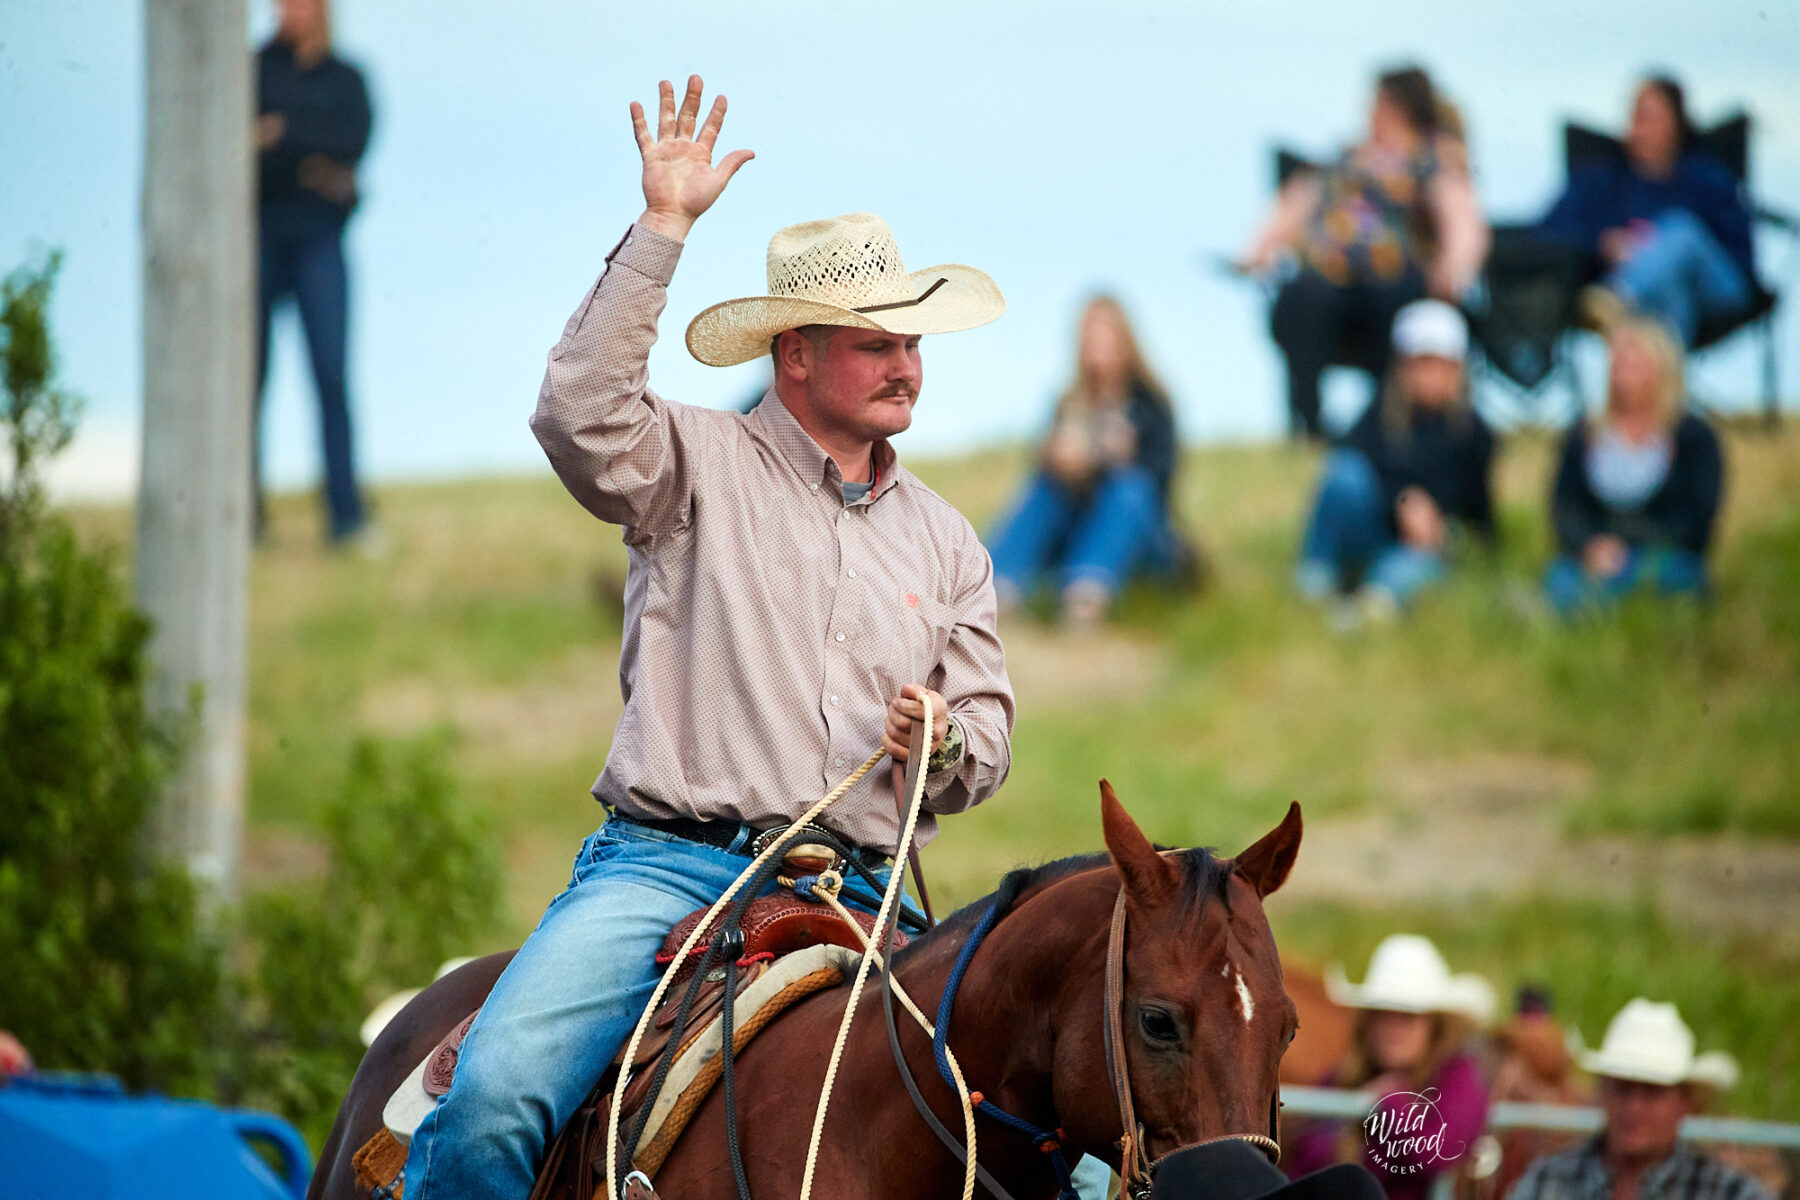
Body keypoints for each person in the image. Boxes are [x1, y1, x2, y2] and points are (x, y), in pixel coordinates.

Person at [399, 77, 1017, 1200]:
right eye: (875, 342)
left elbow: (987, 743)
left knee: (1041, 1146)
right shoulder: (691, 465)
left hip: (869, 894)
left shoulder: (949, 544)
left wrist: (947, 741)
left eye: (913, 343)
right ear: (793, 355)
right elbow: (576, 414)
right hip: (668, 870)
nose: (906, 365)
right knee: (492, 1103)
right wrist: (664, 227)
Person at [1240, 66, 1490, 439]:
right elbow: (1296, 202)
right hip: (1331, 278)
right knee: (1303, 295)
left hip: (1396, 279)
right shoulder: (1346, 157)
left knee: (1391, 298)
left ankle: (1383, 423)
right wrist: (1259, 251)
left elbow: (1462, 219)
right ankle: (1308, 424)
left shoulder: (1432, 159)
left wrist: (1455, 267)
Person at [986, 296, 1185, 625]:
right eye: (1090, 340)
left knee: (1130, 488)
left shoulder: (1151, 404)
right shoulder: (1068, 403)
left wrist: (1113, 459)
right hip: (1073, 527)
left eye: (1106, 340)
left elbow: (1160, 487)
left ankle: (1087, 597)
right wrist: (1057, 460)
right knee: (1043, 489)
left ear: (1125, 342)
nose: (1098, 351)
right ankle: (997, 591)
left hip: (1138, 535)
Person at [254, 0, 374, 545]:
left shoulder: (348, 79)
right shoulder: (252, 70)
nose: (283, 10)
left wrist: (282, 136)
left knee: (330, 375)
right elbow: (239, 148)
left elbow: (352, 145)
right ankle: (244, 519)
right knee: (244, 382)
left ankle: (345, 519)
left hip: (322, 241)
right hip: (256, 238)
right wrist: (312, 158)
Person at [1294, 300, 1496, 620]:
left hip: (1422, 548)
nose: (1427, 374)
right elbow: (1350, 464)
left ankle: (1368, 606)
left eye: (1437, 363)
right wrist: (1402, 501)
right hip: (1375, 527)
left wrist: (1445, 530)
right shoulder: (1378, 415)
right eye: (1418, 363)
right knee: (1343, 473)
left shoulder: (1475, 433)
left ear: (1456, 367)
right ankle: (1315, 581)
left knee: (1404, 572)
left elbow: (1479, 512)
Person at [1538, 77, 1754, 347]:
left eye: (1651, 117)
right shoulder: (1602, 179)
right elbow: (1547, 232)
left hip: (1718, 289)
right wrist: (1601, 244)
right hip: (1656, 295)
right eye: (1635, 115)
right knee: (1669, 285)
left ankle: (1616, 295)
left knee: (1681, 232)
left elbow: (1740, 254)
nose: (1639, 126)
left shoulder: (1708, 179)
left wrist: (1660, 253)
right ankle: (1663, 386)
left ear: (1677, 123)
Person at [1288, 934, 1497, 1200]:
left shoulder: (1458, 1076)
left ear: (1434, 1025)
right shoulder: (1344, 1076)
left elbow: (1439, 1151)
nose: (1393, 1029)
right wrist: (1354, 1118)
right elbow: (1304, 1162)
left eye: (1408, 1017)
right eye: (1382, 1014)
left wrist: (1390, 1104)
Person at [1544, 318, 1723, 616]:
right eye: (1618, 362)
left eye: (1635, 363)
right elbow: (1565, 506)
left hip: (1663, 556)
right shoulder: (1583, 435)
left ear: (1661, 369)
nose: (1623, 372)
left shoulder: (1694, 438)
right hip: (1596, 558)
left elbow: (1698, 519)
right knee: (1562, 581)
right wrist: (1591, 545)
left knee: (1683, 580)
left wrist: (1631, 548)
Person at [1507, 999, 1769, 1200]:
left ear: (1684, 1103)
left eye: (1652, 1092)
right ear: (1602, 1092)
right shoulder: (1546, 1180)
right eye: (1623, 1088)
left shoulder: (1729, 1191)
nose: (1634, 1107)